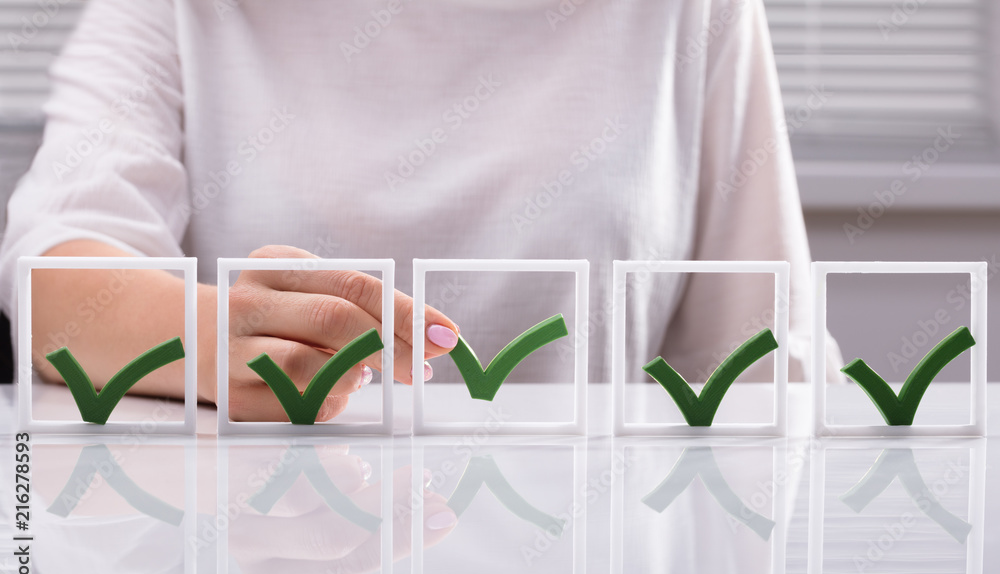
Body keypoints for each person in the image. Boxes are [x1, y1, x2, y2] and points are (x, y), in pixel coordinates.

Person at [0, 0, 839, 424]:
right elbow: (57, 281)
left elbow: (767, 361)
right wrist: (217, 336)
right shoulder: (172, 11)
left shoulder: (689, 13)